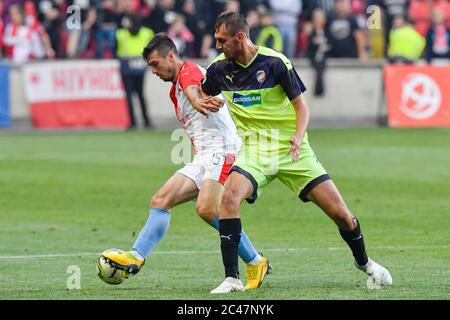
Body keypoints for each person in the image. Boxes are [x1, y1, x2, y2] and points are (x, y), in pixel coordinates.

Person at [192, 11, 392, 294]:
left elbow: (302, 106)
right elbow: (201, 90)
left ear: (240, 38)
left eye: (222, 40)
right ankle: (232, 278)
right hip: (255, 151)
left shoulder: (275, 63)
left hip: (292, 150)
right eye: (216, 40)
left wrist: (298, 137)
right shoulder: (218, 69)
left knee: (342, 215)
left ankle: (365, 264)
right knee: (230, 198)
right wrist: (203, 101)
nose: (218, 46)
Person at [102, 33, 270, 290]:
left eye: (156, 64)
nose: (154, 71)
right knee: (161, 200)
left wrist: (197, 100)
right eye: (150, 67)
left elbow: (193, 89)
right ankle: (136, 256)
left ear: (171, 56)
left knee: (207, 209)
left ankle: (255, 261)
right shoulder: (174, 90)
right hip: (204, 156)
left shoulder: (188, 71)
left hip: (224, 150)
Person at [116, 13, 154, 129]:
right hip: (139, 67)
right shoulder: (147, 32)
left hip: (127, 67)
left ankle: (133, 122)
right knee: (140, 94)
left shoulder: (121, 33)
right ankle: (146, 121)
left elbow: (117, 50)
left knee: (130, 96)